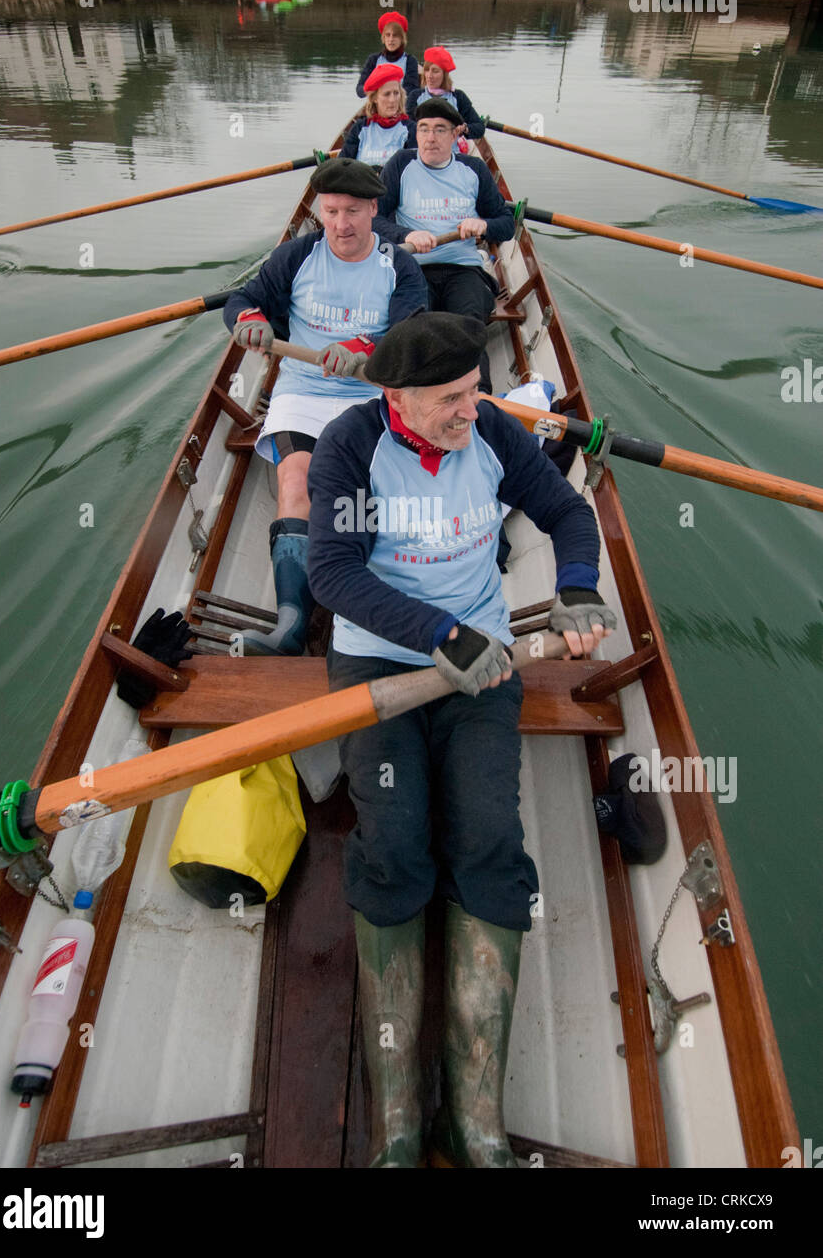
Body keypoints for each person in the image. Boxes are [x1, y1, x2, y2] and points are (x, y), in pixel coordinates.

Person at [306, 311, 615, 1167]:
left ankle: (475, 1123)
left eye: (477, 391)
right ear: (394, 397)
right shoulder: (348, 447)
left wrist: (578, 592)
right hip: (380, 667)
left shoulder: (495, 434)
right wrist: (442, 633)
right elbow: (333, 575)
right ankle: (398, 1125)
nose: (470, 410)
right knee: (395, 847)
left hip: (485, 667)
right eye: (450, 398)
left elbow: (566, 515)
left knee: (487, 837)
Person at [221, 158, 427, 656]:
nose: (341, 224)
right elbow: (243, 299)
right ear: (319, 210)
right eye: (331, 211)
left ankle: (368, 602)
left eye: (353, 211)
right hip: (302, 392)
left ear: (374, 209)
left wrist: (366, 348)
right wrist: (248, 319)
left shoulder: (399, 265)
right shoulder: (296, 256)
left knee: (362, 499)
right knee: (296, 484)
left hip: (369, 397)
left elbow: (411, 336)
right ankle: (292, 622)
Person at [375, 98, 514, 391]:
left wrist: (484, 225)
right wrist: (406, 235)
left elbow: (508, 224)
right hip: (413, 269)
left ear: (455, 135)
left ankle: (479, 399)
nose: (430, 138)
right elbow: (373, 221)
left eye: (440, 130)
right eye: (423, 129)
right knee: (414, 326)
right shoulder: (401, 164)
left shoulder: (474, 169)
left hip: (463, 269)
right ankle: (416, 395)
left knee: (466, 324)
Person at [405, 46, 484, 152]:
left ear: (444, 75)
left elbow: (479, 128)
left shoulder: (458, 97)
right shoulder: (415, 96)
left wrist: (464, 128)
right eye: (427, 70)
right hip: (421, 152)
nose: (429, 76)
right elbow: (407, 127)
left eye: (435, 71)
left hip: (451, 153)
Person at [342, 64, 417, 168]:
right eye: (387, 94)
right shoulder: (360, 129)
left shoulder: (411, 129)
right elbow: (342, 166)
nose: (392, 100)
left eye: (396, 93)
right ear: (374, 98)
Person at [356, 11, 420, 99]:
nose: (391, 39)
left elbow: (411, 90)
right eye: (388, 35)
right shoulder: (373, 59)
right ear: (383, 38)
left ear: (402, 38)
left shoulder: (410, 61)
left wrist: (390, 93)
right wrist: (373, 90)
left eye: (395, 35)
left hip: (400, 107)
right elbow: (359, 89)